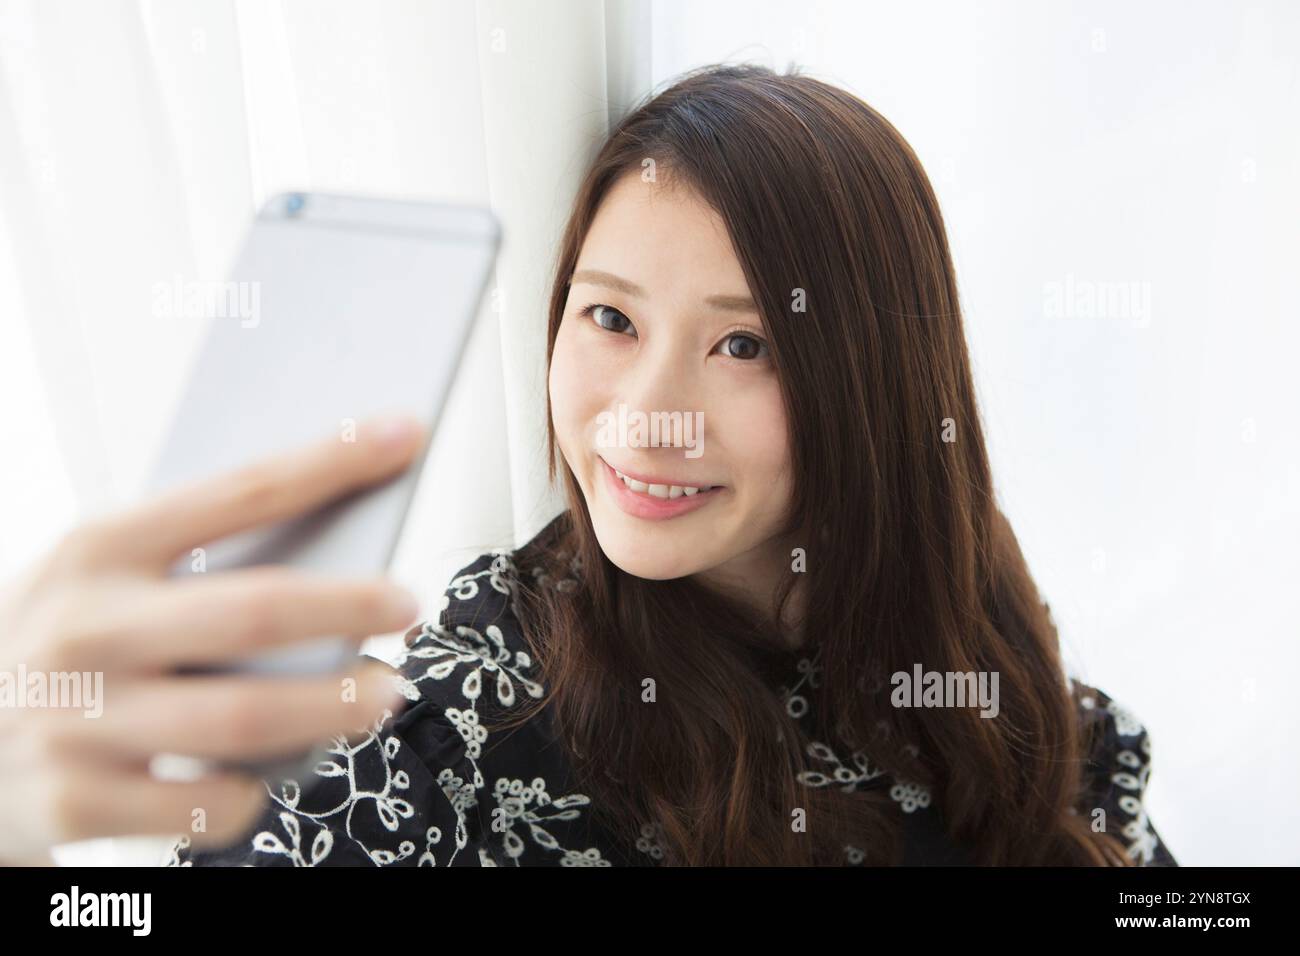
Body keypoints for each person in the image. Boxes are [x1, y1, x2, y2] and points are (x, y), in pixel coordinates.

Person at [8, 63, 1177, 867]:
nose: (646, 417)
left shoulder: (1003, 684)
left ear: (872, 383)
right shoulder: (477, 705)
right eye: (610, 318)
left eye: (744, 344)